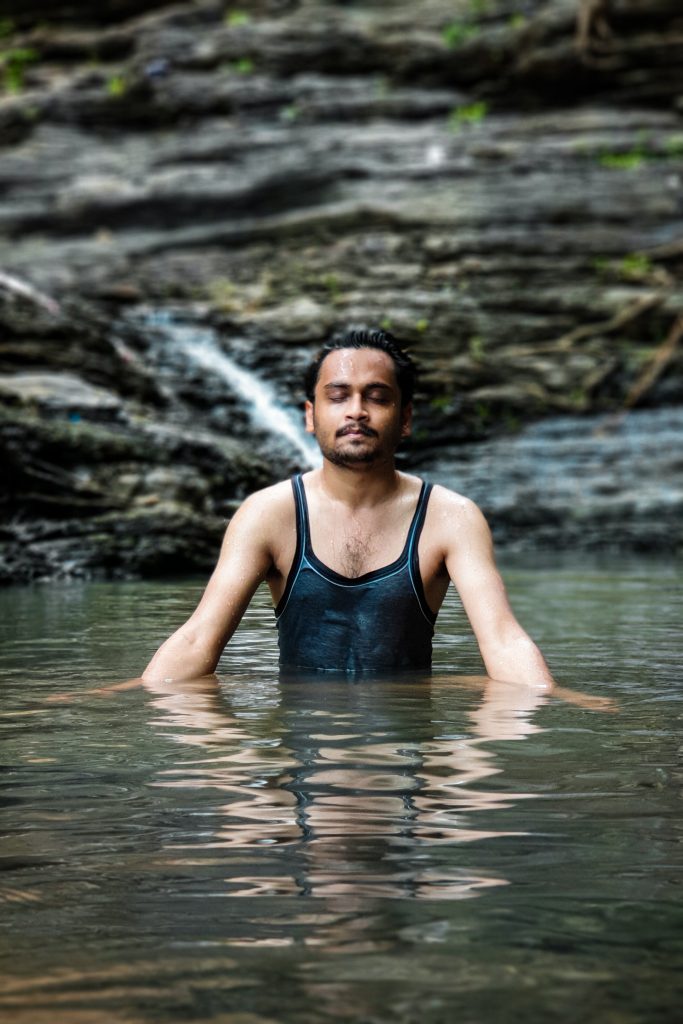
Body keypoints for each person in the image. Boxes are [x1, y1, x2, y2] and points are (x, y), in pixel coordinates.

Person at [142, 328, 554, 688]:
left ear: (405, 417)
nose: (356, 410)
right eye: (338, 396)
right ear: (310, 415)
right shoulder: (268, 514)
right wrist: (133, 700)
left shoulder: (451, 518)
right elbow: (198, 639)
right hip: (299, 763)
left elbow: (503, 639)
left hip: (406, 758)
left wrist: (550, 703)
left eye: (376, 397)